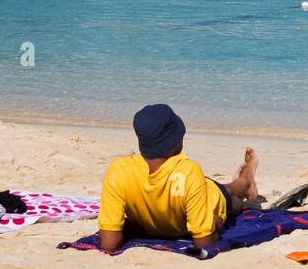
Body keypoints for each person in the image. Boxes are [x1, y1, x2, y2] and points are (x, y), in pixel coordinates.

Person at [97, 104, 259, 252]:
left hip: (199, 189)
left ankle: (244, 183)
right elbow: (205, 243)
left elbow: (109, 244)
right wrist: (217, 223)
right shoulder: (188, 172)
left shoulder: (118, 171)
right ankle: (245, 182)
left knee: (222, 188)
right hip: (207, 195)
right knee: (234, 202)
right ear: (175, 140)